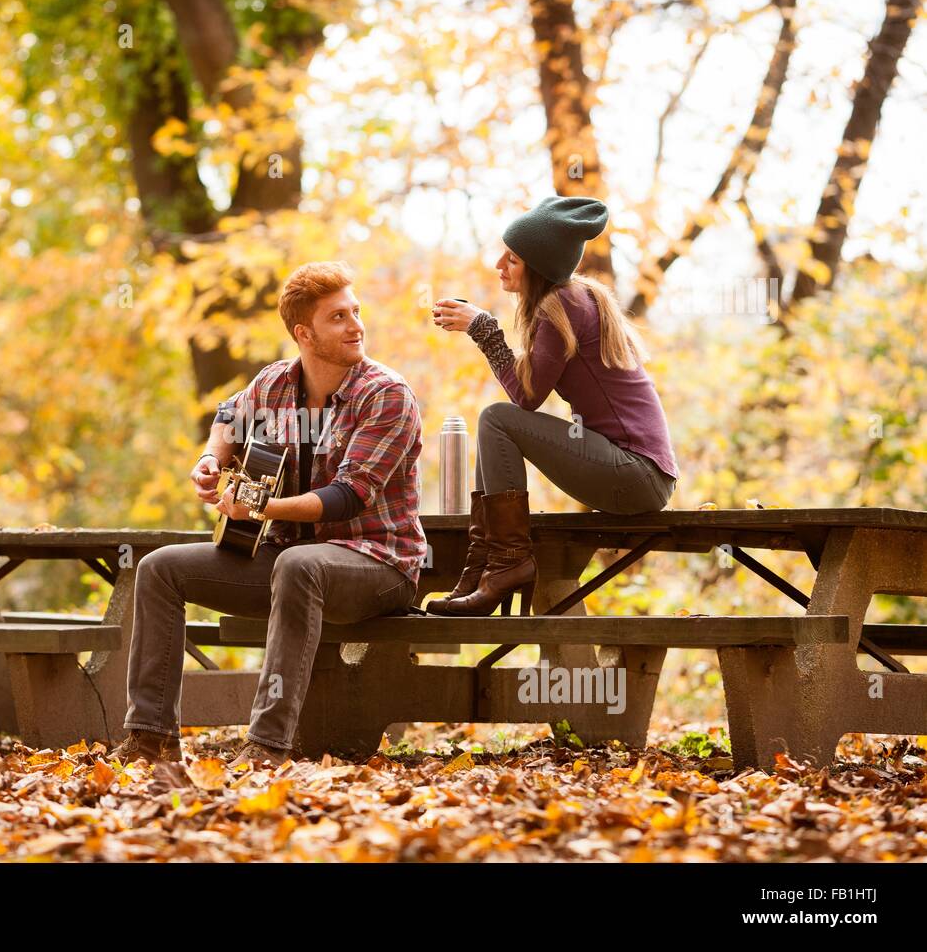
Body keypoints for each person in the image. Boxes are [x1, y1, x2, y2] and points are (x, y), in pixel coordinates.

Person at [109, 261, 427, 769]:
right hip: (289, 562)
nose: (356, 326)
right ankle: (150, 737)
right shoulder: (274, 384)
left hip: (379, 566)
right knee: (159, 568)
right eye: (338, 317)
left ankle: (267, 746)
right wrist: (209, 460)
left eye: (356, 312)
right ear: (304, 333)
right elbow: (228, 416)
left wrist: (257, 506)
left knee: (300, 566)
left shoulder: (386, 394)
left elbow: (347, 497)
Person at [427, 195, 679, 617]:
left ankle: (507, 563)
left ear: (539, 265)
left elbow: (525, 398)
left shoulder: (562, 306)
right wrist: (485, 329)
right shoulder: (576, 299)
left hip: (637, 473)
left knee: (496, 419)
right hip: (639, 473)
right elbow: (526, 387)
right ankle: (481, 565)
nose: (499, 265)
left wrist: (484, 329)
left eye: (512, 258)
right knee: (495, 424)